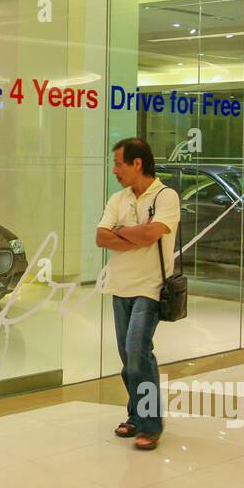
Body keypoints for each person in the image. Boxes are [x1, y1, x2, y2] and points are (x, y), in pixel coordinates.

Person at [95, 138, 180, 451]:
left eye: (119, 163)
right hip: (120, 287)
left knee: (137, 352)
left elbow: (150, 234)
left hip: (150, 288)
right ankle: (135, 413)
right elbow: (101, 237)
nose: (115, 170)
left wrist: (124, 233)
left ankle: (149, 423)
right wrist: (136, 236)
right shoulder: (118, 199)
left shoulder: (166, 196)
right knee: (129, 357)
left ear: (137, 164)